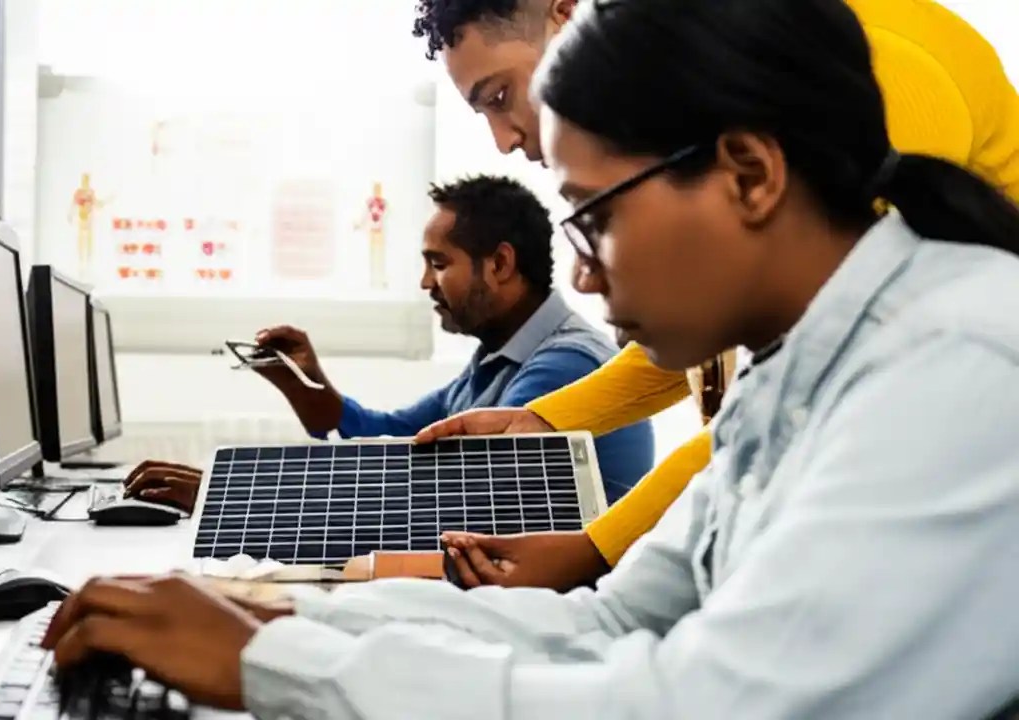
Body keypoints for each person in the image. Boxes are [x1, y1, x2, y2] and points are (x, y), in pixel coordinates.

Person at [42, 0, 1019, 715]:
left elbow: (697, 706)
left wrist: (278, 668)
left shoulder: (952, 369)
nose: (585, 282)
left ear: (749, 173)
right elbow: (605, 625)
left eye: (591, 219)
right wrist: (276, 617)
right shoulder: (787, 380)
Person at [412, 0, 1019, 590]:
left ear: (567, 16)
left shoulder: (836, 73)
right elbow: (698, 326)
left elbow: (777, 408)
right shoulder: (708, 94)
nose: (501, 140)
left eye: (499, 97)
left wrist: (595, 547)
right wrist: (547, 419)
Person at [128, 174, 655, 505]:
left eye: (439, 264)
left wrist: (226, 495)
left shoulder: (565, 366)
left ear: (498, 264)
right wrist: (302, 383)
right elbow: (385, 438)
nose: (426, 283)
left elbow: (441, 498)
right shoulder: (495, 360)